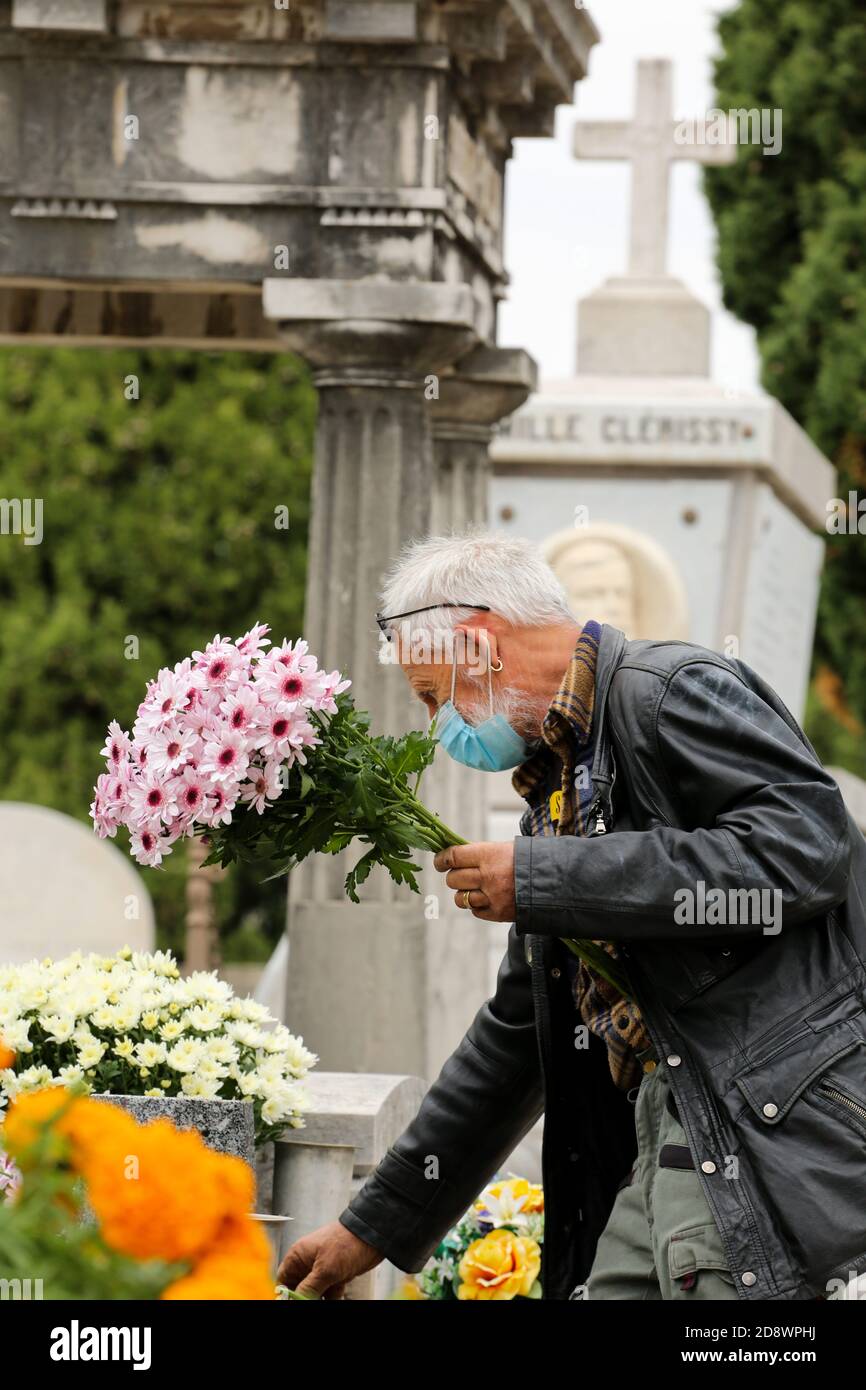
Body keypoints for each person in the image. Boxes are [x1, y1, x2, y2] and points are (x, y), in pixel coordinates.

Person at [277, 531, 866, 1301]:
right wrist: (371, 1229)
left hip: (764, 1124)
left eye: (432, 696)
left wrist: (547, 878)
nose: (436, 728)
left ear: (481, 644)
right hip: (671, 1132)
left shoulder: (670, 690)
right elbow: (516, 1039)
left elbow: (806, 850)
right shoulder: (559, 793)